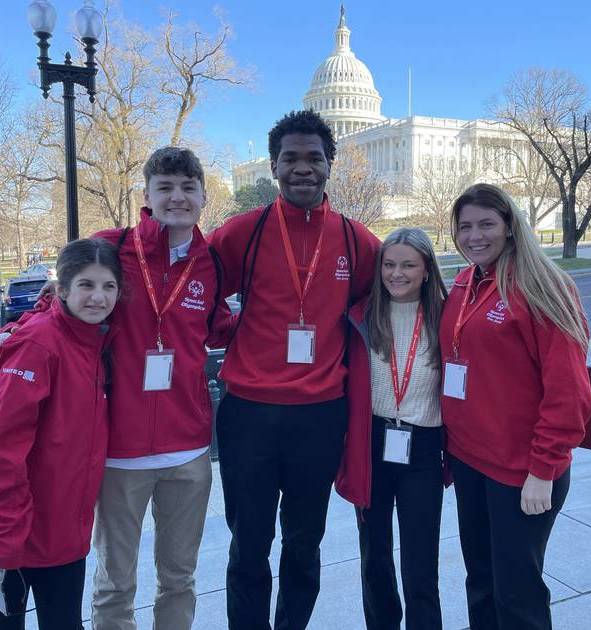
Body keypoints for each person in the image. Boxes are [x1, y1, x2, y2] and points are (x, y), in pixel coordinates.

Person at [0, 147, 234, 630]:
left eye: (188, 187)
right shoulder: (112, 247)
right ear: (146, 196)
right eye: (164, 187)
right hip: (118, 452)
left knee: (179, 578)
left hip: (188, 451)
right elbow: (61, 303)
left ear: (203, 197)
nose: (177, 198)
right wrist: (16, 336)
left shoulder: (210, 264)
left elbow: (218, 326)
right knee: (115, 582)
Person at [208, 109, 381, 630]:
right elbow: (190, 286)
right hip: (249, 417)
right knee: (249, 545)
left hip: (319, 418)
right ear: (273, 166)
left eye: (314, 158)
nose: (302, 168)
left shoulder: (357, 241)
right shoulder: (244, 233)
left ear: (331, 164)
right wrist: (228, 331)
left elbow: (403, 296)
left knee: (305, 543)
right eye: (291, 159)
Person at [439, 183, 591, 630]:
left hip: (521, 470)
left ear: (510, 227)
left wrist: (544, 470)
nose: (474, 236)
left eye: (486, 224)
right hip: (470, 461)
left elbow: (570, 391)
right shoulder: (468, 280)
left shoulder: (542, 285)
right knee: (482, 582)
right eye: (464, 226)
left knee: (518, 593)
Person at [0, 237, 122, 630]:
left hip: (59, 532)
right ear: (61, 289)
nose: (98, 297)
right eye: (86, 285)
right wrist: (7, 537)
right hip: (5, 530)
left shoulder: (92, 342)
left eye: (108, 286)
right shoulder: (38, 344)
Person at [335, 228, 449, 630]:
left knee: (420, 561)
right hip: (371, 445)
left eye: (408, 265)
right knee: (375, 558)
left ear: (426, 270)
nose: (396, 274)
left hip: (422, 449)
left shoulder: (447, 317)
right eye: (389, 264)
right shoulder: (361, 316)